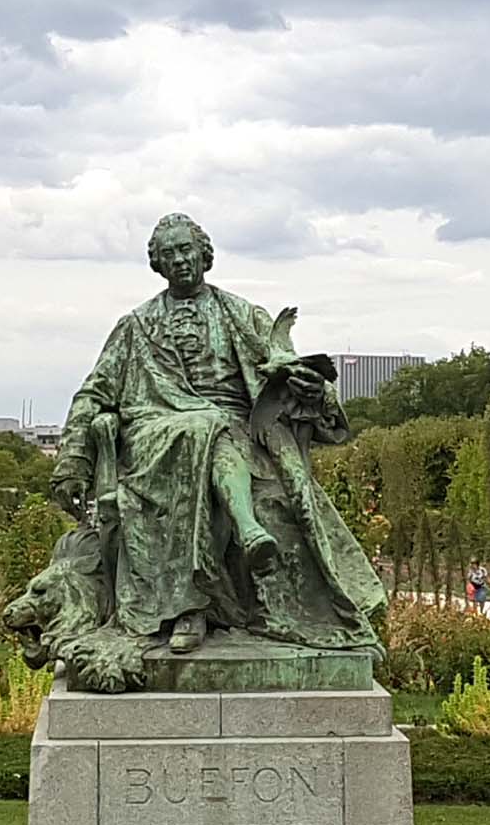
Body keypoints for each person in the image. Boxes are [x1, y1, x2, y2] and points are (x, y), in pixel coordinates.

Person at [47, 212, 384, 657]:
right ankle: (209, 579)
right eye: (168, 255)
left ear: (205, 256)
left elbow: (290, 367)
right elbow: (94, 393)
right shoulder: (135, 326)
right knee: (202, 427)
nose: (180, 260)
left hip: (238, 429)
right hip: (158, 427)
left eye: (186, 250)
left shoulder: (243, 315)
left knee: (216, 430)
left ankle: (224, 583)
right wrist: (73, 460)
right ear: (158, 265)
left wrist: (313, 389)